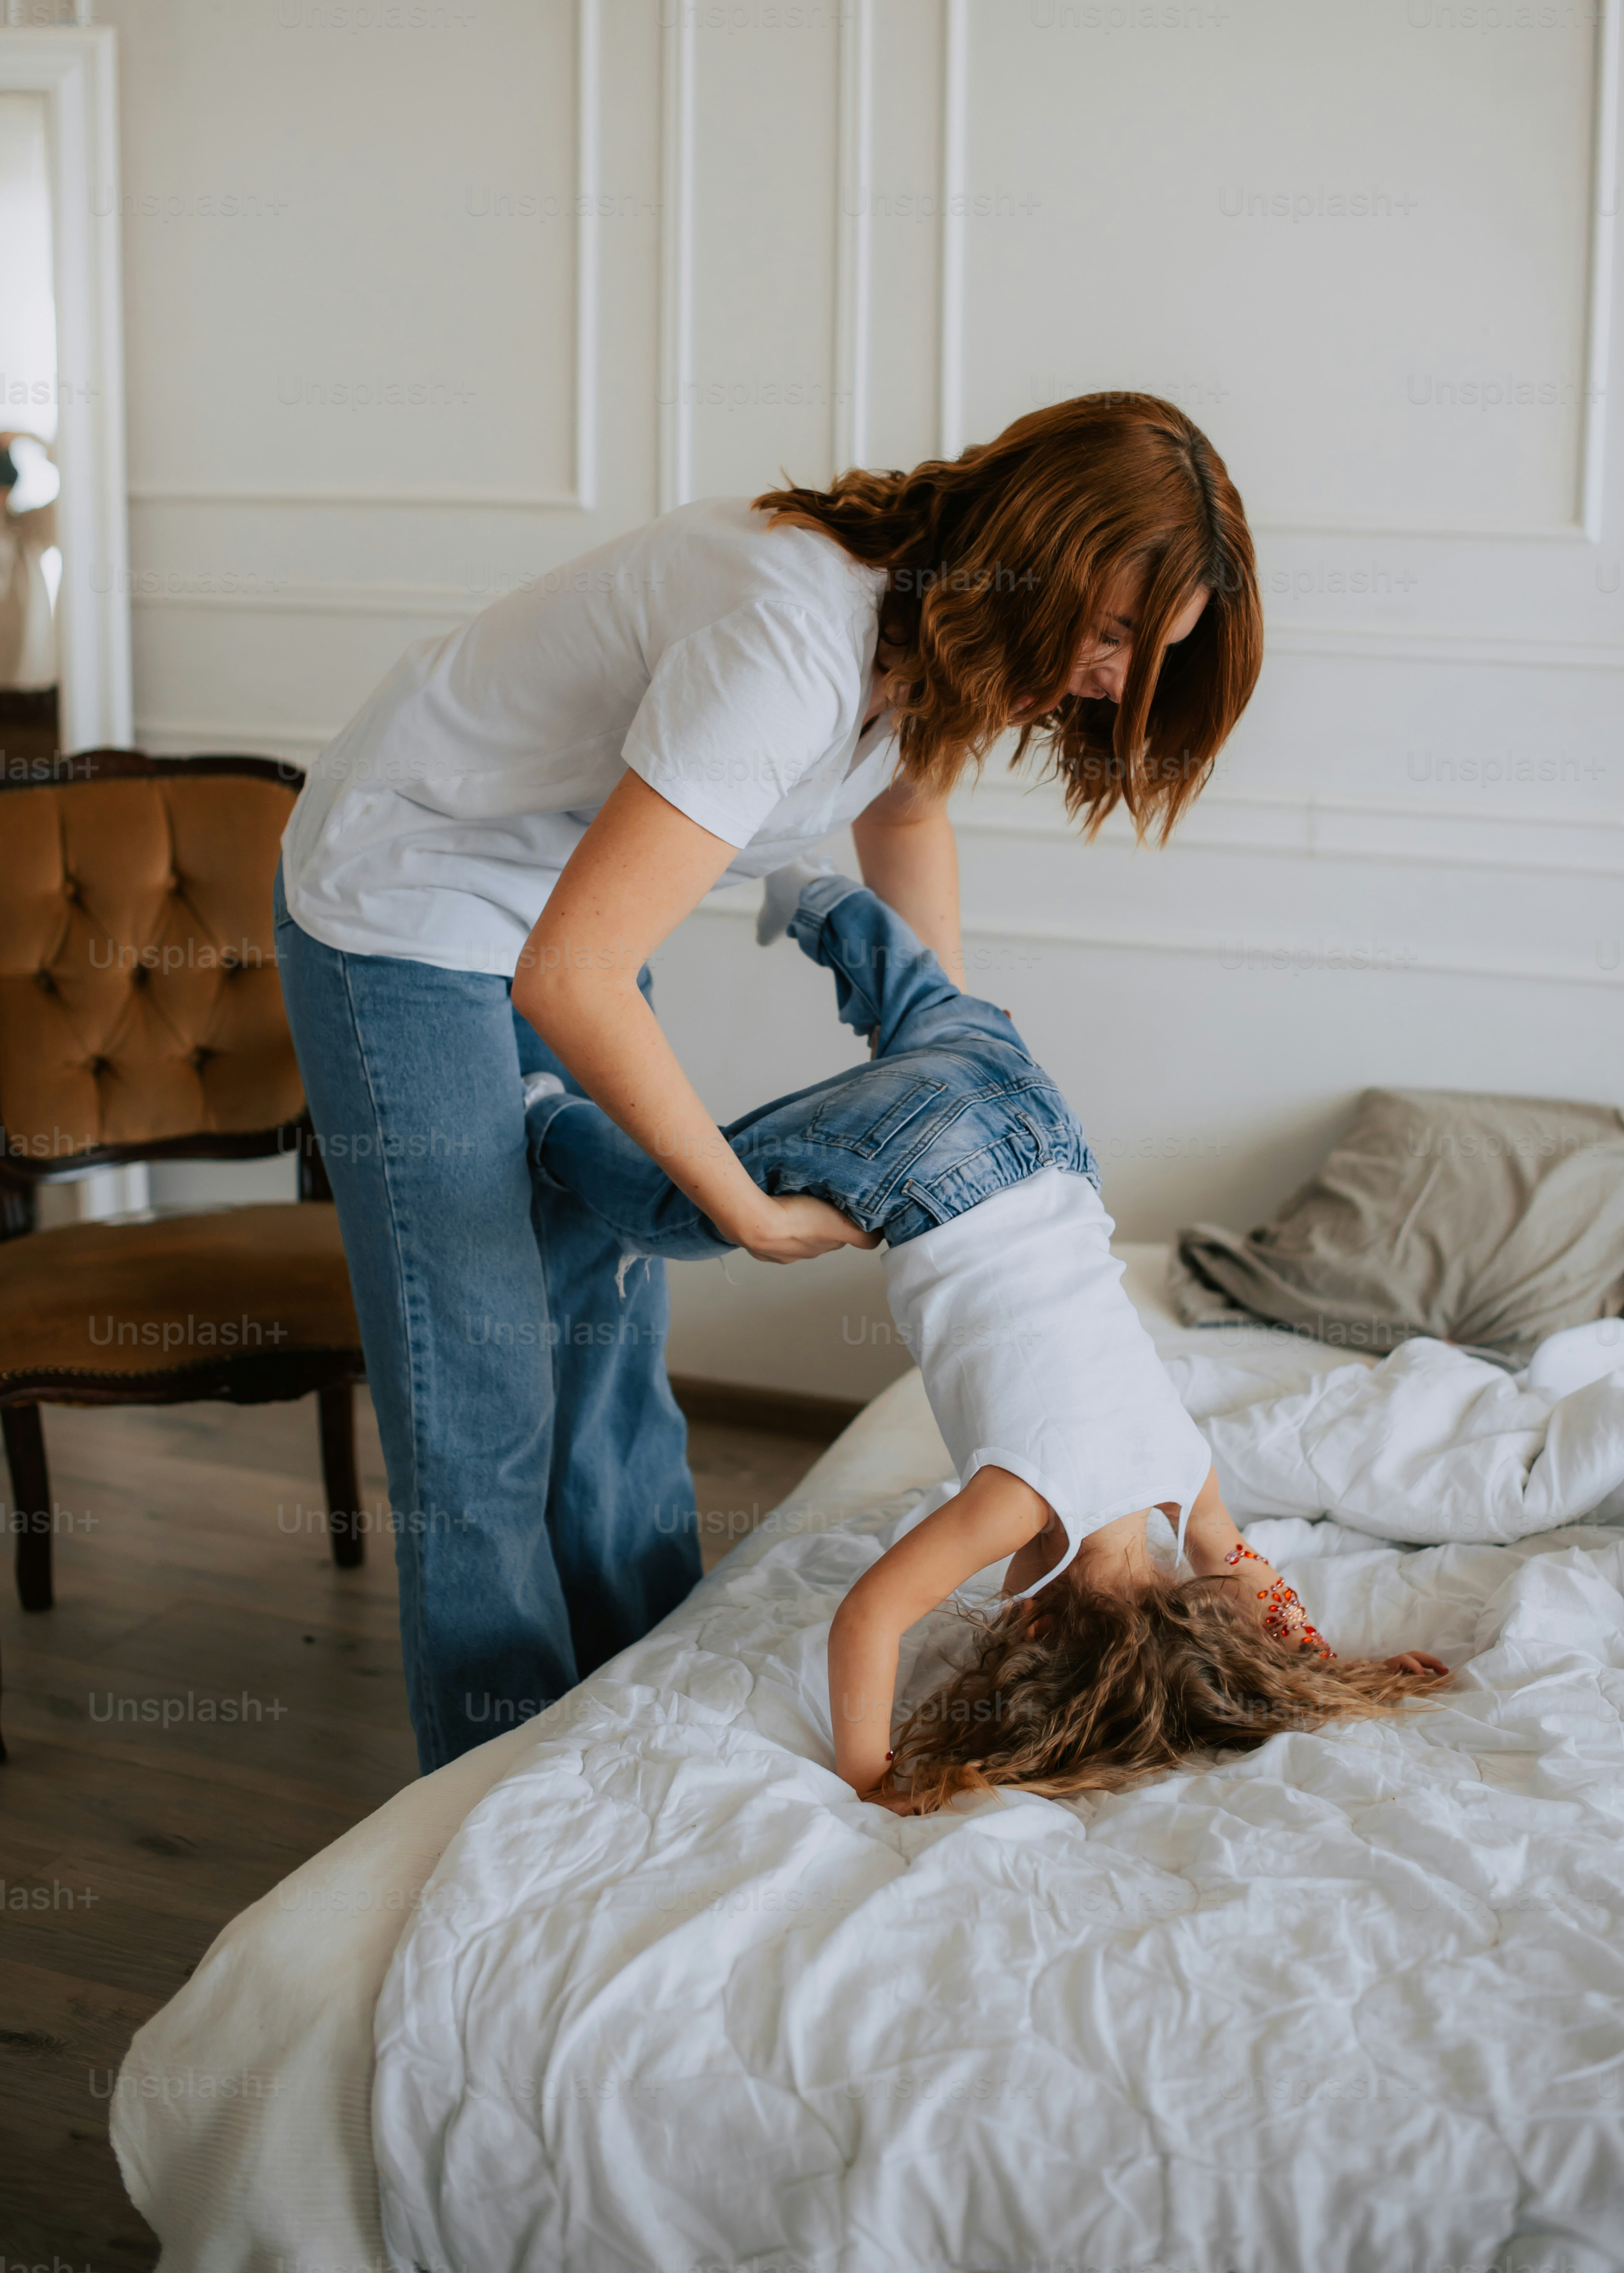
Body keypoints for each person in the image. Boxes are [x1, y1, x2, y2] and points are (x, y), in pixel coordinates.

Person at [276, 393, 1264, 1771]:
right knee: (486, 1395)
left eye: (1136, 657)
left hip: (570, 906)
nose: (1110, 681)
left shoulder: (934, 636)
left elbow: (904, 808)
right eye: (1108, 637)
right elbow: (573, 977)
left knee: (608, 1361)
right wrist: (741, 1204)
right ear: (1033, 562)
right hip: (413, 896)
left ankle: (635, 1725)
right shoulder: (790, 641)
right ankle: (490, 1788)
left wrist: (940, 1057)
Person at [522, 862, 1449, 1809]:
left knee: (928, 1002)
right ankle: (545, 1116)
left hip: (1037, 1118)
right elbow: (870, 1619)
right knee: (681, 1205)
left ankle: (818, 897)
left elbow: (1241, 1566)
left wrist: (1328, 1668)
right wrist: (870, 1777)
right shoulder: (1023, 1497)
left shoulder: (1180, 1469)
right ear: (1038, 1620)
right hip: (917, 1163)